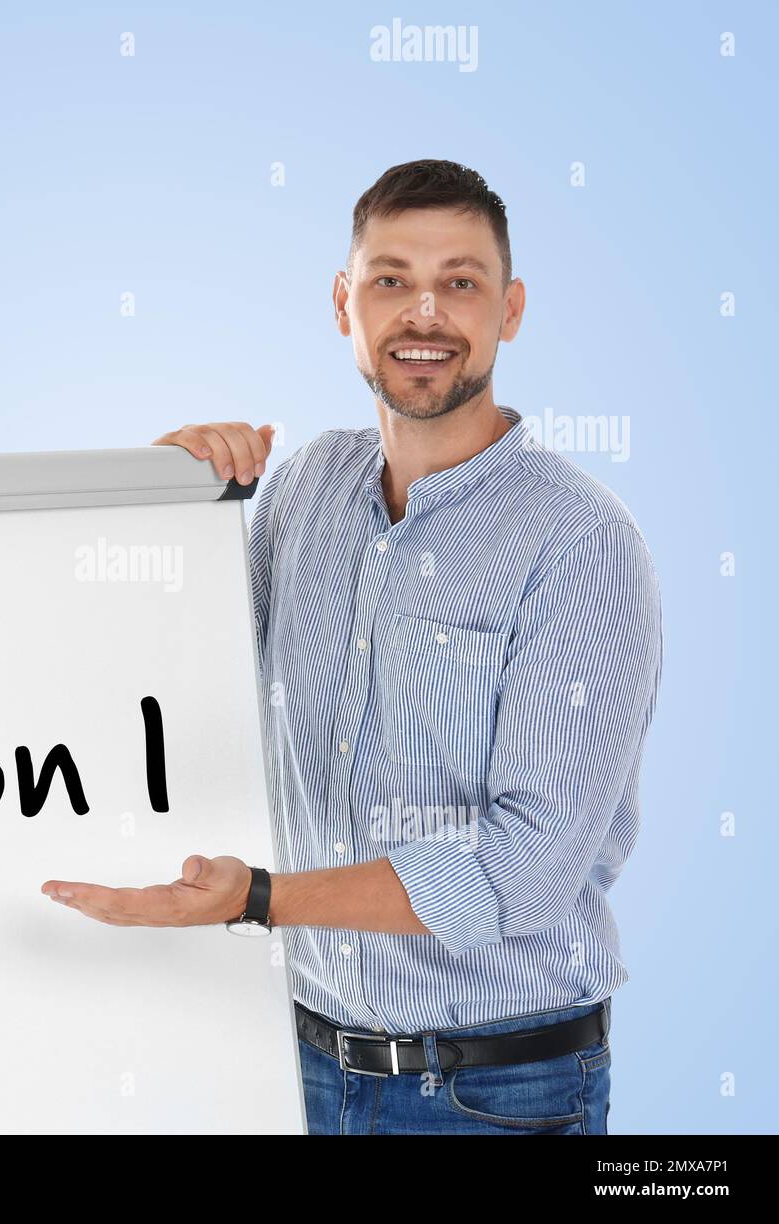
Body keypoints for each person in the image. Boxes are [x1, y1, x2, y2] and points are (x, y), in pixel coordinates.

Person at [41, 159, 662, 1135]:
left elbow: (524, 869)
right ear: (344, 303)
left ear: (511, 309)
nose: (424, 313)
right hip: (294, 1068)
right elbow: (174, 690)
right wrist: (151, 496)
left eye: (460, 281)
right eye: (389, 280)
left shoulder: (578, 542)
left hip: (492, 1092)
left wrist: (258, 900)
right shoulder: (301, 491)